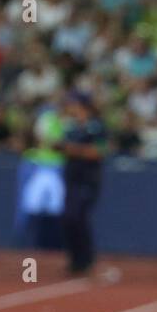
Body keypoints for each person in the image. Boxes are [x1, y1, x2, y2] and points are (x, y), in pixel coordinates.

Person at [59, 91, 108, 275]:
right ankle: (75, 259)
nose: (71, 108)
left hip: (88, 178)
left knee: (78, 217)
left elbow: (99, 152)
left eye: (74, 104)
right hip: (71, 177)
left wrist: (74, 150)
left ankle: (86, 259)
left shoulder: (96, 127)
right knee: (68, 218)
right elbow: (64, 148)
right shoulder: (71, 127)